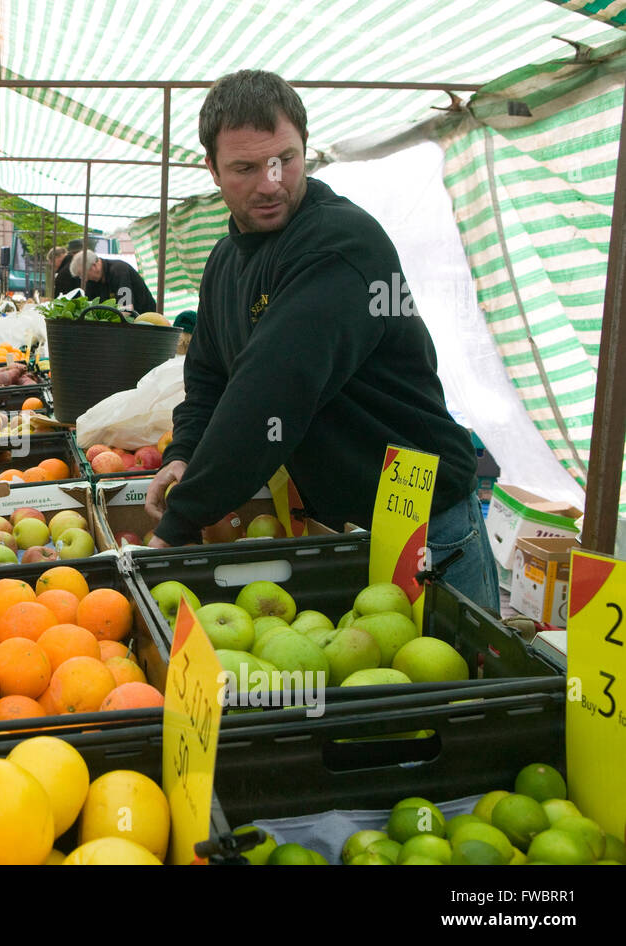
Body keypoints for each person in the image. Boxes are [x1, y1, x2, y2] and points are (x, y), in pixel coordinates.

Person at [144, 70, 497, 610]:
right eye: (244, 167)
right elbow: (211, 376)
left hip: (423, 526)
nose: (270, 181)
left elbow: (272, 389)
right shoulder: (224, 262)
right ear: (211, 169)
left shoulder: (339, 243)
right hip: (341, 527)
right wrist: (186, 450)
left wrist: (179, 522)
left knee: (455, 691)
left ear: (305, 148)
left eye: (285, 158)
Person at [70, 250, 157, 314]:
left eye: (83, 274)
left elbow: (126, 308)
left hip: (146, 320)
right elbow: (91, 308)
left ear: (94, 266)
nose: (84, 279)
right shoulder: (91, 281)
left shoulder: (119, 271)